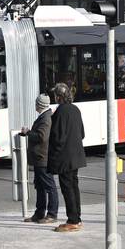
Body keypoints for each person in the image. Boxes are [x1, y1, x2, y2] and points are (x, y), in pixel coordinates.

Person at [46, 83, 86, 232]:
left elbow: (56, 137)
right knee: (74, 187)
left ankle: (73, 220)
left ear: (59, 97)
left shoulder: (60, 112)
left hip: (64, 157)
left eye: (55, 95)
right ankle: (77, 218)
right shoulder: (76, 109)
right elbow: (82, 133)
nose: (54, 98)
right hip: (76, 156)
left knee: (67, 188)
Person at [20, 94, 58, 223]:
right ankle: (39, 213)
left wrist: (28, 132)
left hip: (43, 158)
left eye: (36, 103)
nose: (35, 105)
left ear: (39, 105)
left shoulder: (46, 118)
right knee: (40, 186)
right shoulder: (44, 116)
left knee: (49, 186)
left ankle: (52, 214)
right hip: (39, 158)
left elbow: (42, 137)